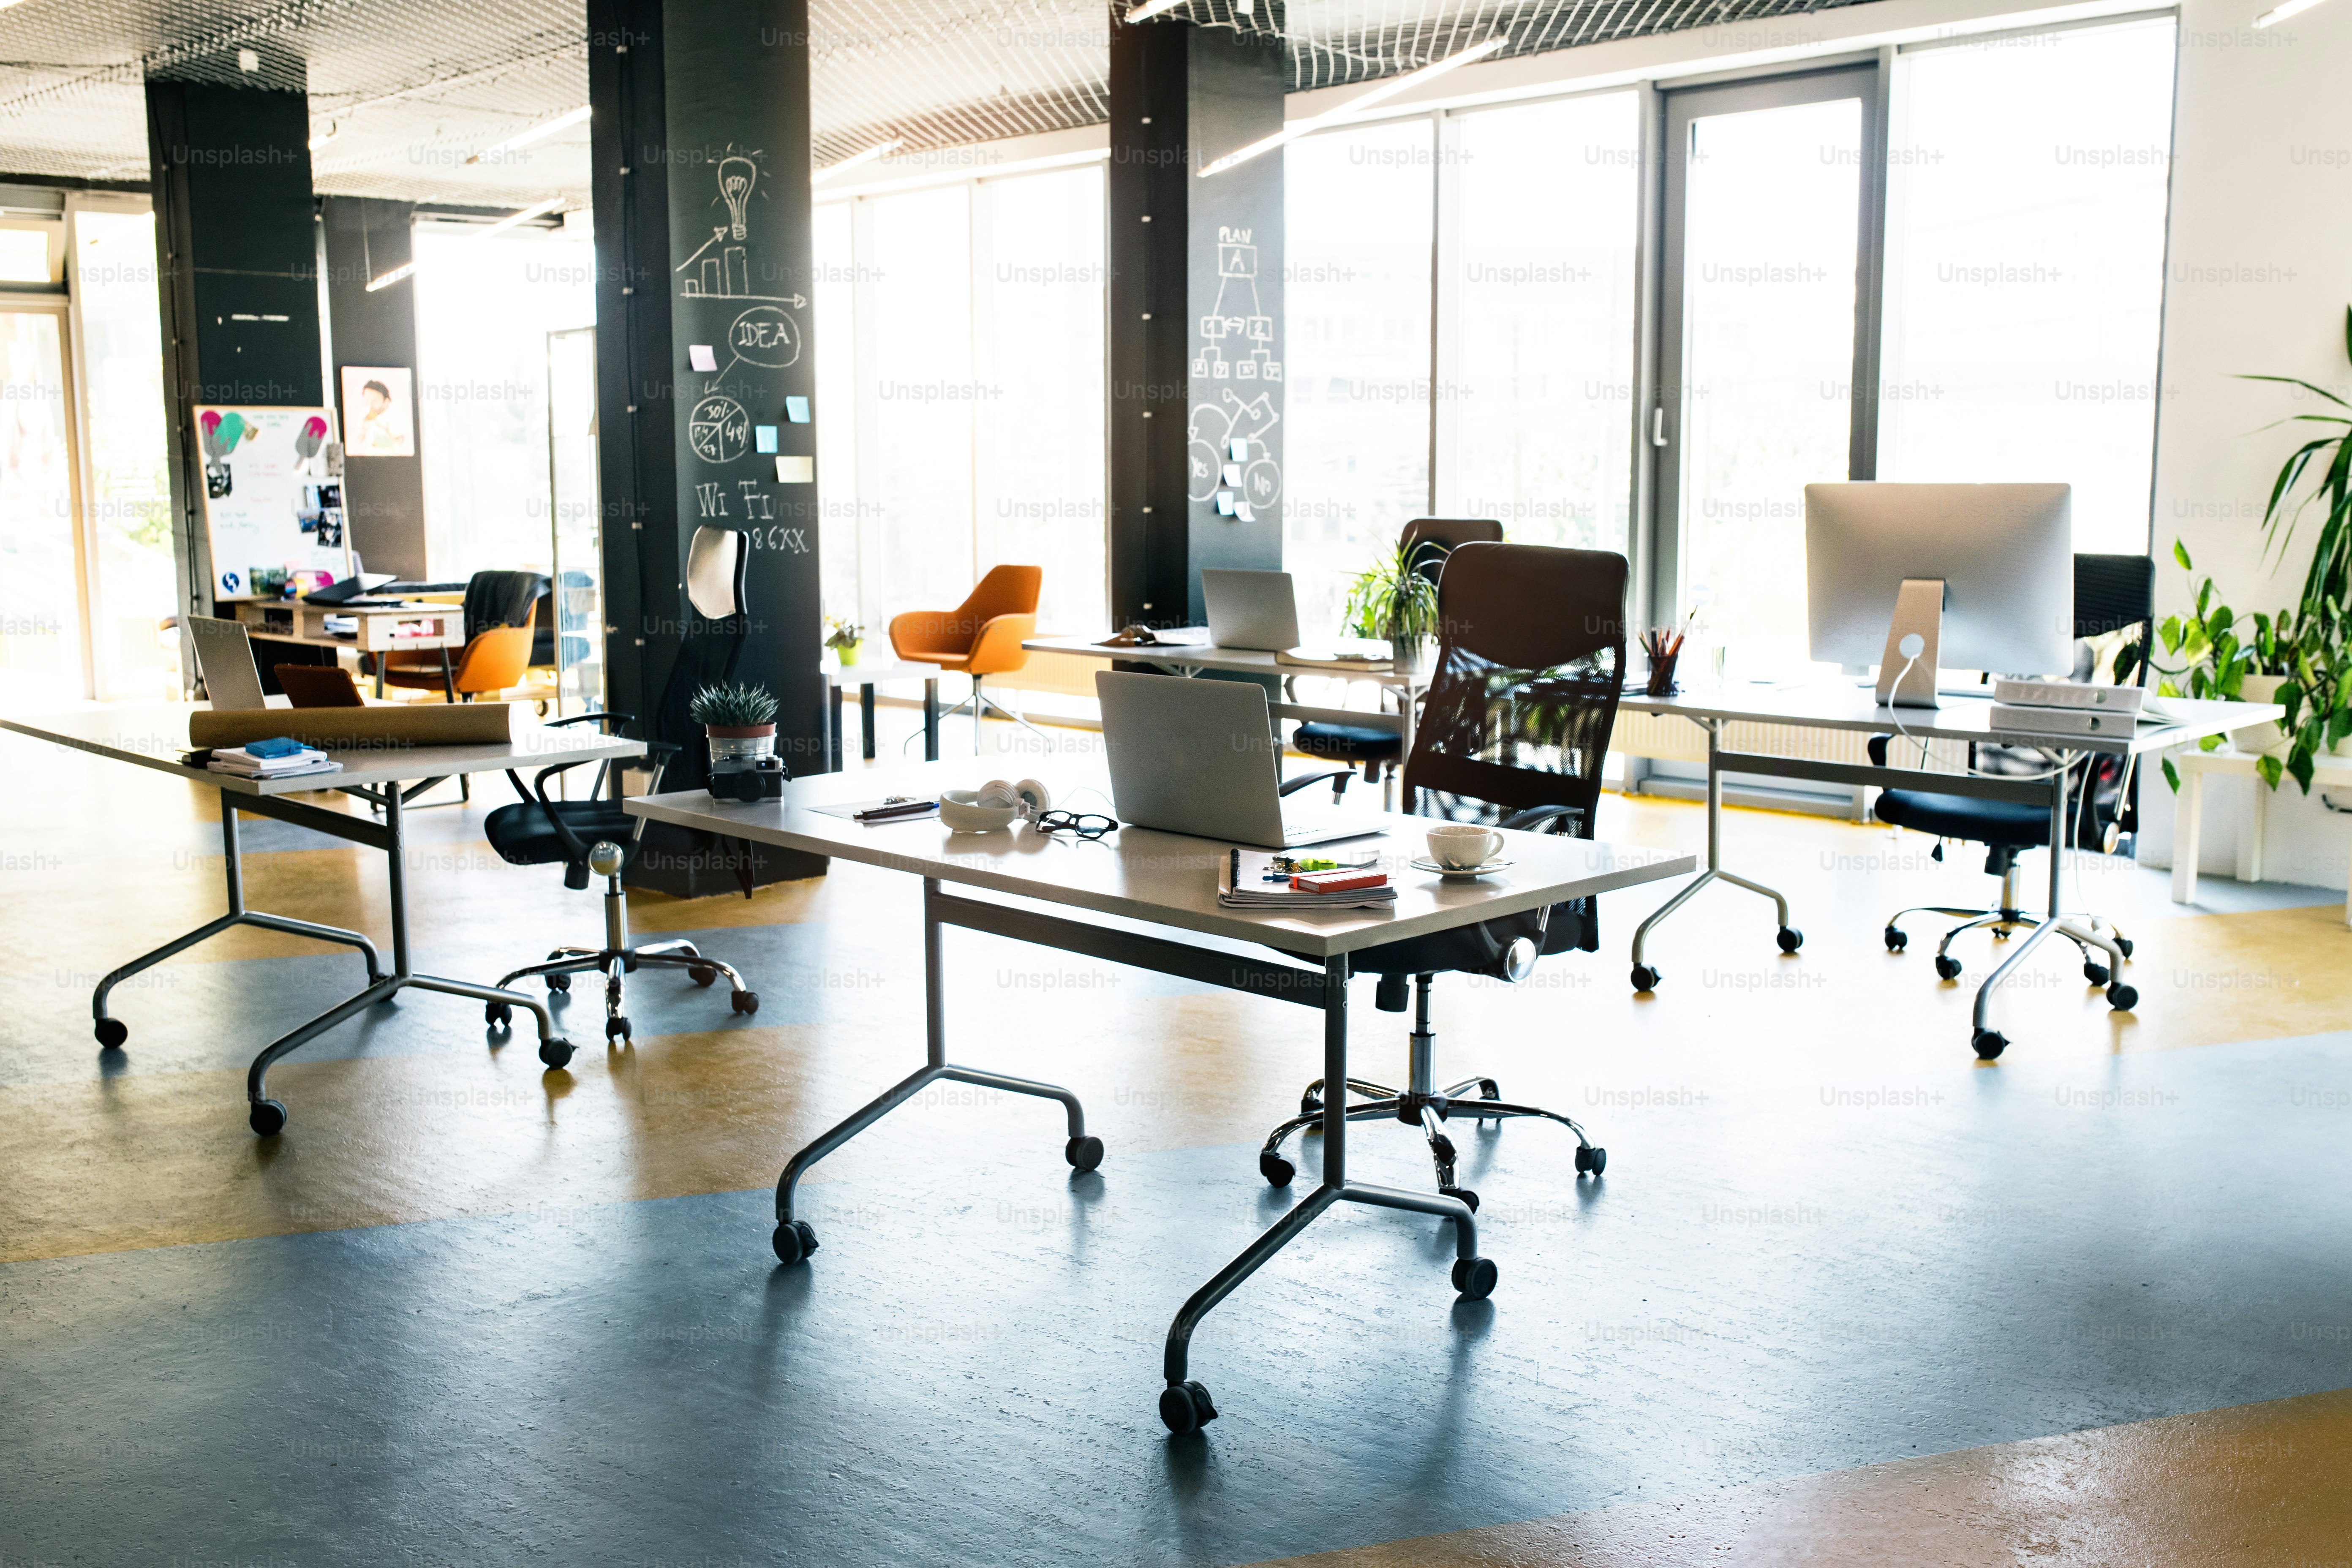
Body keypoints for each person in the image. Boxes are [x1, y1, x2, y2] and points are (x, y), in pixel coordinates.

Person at [349, 378, 408, 455]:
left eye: (375, 402)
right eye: (367, 401)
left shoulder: (395, 416)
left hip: (391, 457)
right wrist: (363, 429)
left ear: (386, 402)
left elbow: (400, 441)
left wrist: (386, 429)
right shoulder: (365, 415)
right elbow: (358, 440)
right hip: (370, 458)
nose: (370, 406)